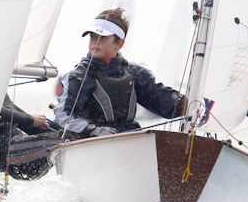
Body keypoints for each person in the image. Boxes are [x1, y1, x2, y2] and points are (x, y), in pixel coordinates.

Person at [55, 8, 184, 138]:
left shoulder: (136, 73)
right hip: (90, 142)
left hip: (129, 140)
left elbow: (161, 101)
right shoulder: (78, 76)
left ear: (119, 43)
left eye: (102, 38)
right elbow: (63, 115)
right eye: (93, 37)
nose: (95, 42)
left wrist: (186, 105)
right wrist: (91, 129)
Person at [0, 95, 62, 180]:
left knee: (63, 138)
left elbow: (24, 122)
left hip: (21, 151)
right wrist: (31, 119)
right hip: (9, 157)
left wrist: (57, 129)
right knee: (60, 140)